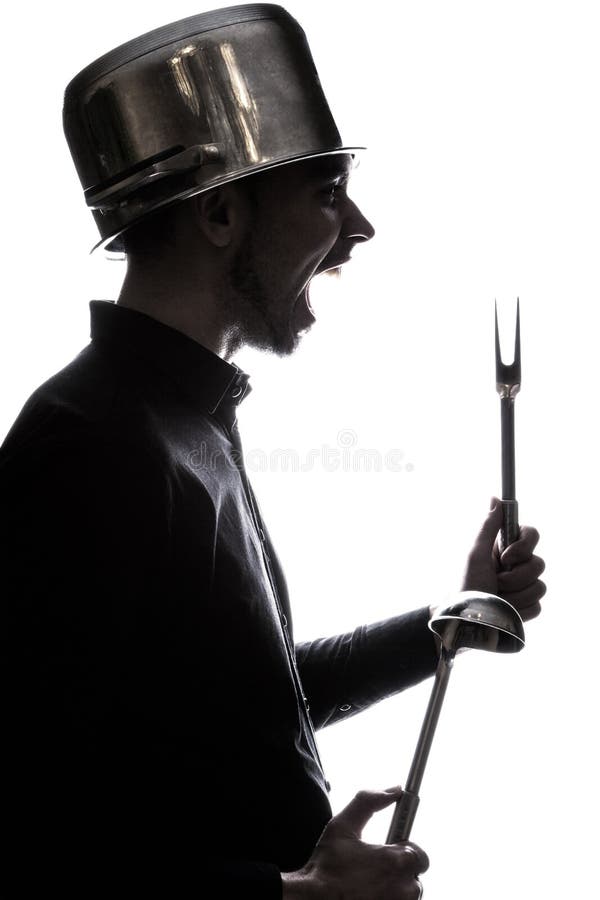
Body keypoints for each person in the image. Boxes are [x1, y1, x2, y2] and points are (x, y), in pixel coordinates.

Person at [0, 6, 545, 898]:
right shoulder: (88, 445)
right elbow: (29, 840)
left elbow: (252, 707)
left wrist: (448, 621)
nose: (359, 227)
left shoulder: (189, 417)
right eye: (327, 193)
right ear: (221, 213)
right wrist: (303, 894)